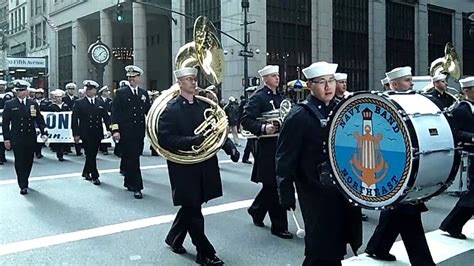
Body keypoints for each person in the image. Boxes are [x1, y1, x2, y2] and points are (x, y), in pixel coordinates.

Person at [276, 61, 362, 266]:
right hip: (315, 190)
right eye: (321, 82)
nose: (328, 87)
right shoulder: (299, 115)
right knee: (320, 247)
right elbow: (285, 157)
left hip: (343, 187)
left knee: (338, 243)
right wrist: (286, 194)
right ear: (310, 85)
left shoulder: (343, 110)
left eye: (331, 81)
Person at [159, 67, 236, 265]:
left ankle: (174, 239)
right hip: (184, 166)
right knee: (193, 208)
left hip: (204, 164)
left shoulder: (203, 105)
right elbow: (166, 140)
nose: (194, 82)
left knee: (191, 205)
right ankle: (205, 252)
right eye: (189, 79)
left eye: (194, 79)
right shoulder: (171, 109)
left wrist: (229, 146)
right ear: (179, 83)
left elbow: (216, 130)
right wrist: (193, 140)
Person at [365, 66, 435, 266]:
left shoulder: (413, 102)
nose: (411, 83)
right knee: (408, 213)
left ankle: (377, 247)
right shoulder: (385, 105)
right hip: (394, 166)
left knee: (398, 210)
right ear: (394, 84)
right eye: (407, 80)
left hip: (410, 165)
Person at [241, 65, 292, 239]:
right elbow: (246, 120)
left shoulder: (282, 97)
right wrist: (263, 127)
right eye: (273, 76)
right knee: (273, 185)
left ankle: (256, 210)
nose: (277, 78)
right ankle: (279, 226)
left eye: (277, 75)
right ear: (265, 79)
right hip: (268, 147)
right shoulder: (258, 98)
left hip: (282, 145)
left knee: (272, 185)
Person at [439, 76, 474, 239]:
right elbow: (453, 131)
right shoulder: (461, 109)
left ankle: (451, 225)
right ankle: (452, 225)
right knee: (472, 195)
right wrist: (472, 137)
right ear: (467, 91)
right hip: (471, 154)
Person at [111, 65, 151, 199]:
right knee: (133, 159)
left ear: (139, 78)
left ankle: (128, 180)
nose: (131, 79)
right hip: (125, 132)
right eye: (129, 77)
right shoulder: (121, 93)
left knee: (132, 158)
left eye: (134, 77)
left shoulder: (143, 94)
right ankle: (137, 187)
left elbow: (148, 112)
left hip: (138, 132)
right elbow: (115, 113)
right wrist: (115, 130)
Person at [2, 80, 48, 195]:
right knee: (19, 160)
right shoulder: (10, 104)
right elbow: (5, 123)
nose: (21, 93)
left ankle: (25, 177)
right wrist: (6, 139)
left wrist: (44, 132)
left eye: (22, 90)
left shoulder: (32, 104)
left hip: (30, 136)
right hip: (17, 137)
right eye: (18, 91)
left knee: (29, 160)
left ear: (27, 91)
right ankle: (22, 183)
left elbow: (39, 119)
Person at [72, 80, 111, 186]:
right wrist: (76, 134)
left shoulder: (100, 103)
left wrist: (110, 129)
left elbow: (106, 118)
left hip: (97, 132)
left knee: (92, 153)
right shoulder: (79, 103)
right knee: (90, 153)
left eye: (91, 89)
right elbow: (74, 120)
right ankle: (95, 175)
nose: (88, 91)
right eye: (87, 89)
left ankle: (85, 171)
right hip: (85, 132)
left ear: (95, 90)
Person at [48, 89, 71, 161]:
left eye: (60, 97)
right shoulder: (51, 106)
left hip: (64, 126)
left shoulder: (65, 105)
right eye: (57, 97)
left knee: (63, 140)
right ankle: (59, 154)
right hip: (56, 127)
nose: (59, 98)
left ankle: (64, 151)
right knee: (58, 141)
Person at [62, 82, 83, 156]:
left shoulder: (77, 100)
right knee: (66, 133)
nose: (71, 91)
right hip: (66, 119)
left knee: (76, 133)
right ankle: (66, 149)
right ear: (67, 90)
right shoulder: (63, 99)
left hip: (75, 119)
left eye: (73, 89)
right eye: (70, 89)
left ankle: (78, 150)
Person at [241, 86, 256, 164]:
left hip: (252, 122)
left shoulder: (254, 100)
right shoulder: (245, 101)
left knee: (250, 141)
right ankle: (252, 157)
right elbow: (241, 113)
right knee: (251, 141)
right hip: (248, 123)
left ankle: (245, 157)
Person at [0, 80, 13, 165]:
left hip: (5, 119)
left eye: (3, 86)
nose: (1, 87)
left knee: (4, 138)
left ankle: (3, 155)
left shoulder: (8, 96)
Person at [98, 85, 112, 155]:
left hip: (107, 119)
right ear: (102, 92)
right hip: (100, 119)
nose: (107, 93)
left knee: (108, 132)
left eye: (107, 91)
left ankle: (105, 147)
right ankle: (103, 148)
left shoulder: (110, 101)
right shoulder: (98, 100)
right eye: (105, 91)